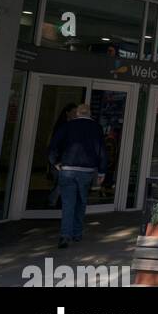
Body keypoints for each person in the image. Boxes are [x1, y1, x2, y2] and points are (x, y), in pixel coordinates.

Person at [48, 103, 108, 248]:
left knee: (68, 203)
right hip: (86, 172)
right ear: (89, 113)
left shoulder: (67, 126)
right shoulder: (97, 128)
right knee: (81, 202)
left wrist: (55, 162)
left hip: (67, 169)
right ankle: (77, 233)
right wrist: (102, 172)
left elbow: (53, 146)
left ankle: (65, 235)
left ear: (77, 113)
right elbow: (102, 152)